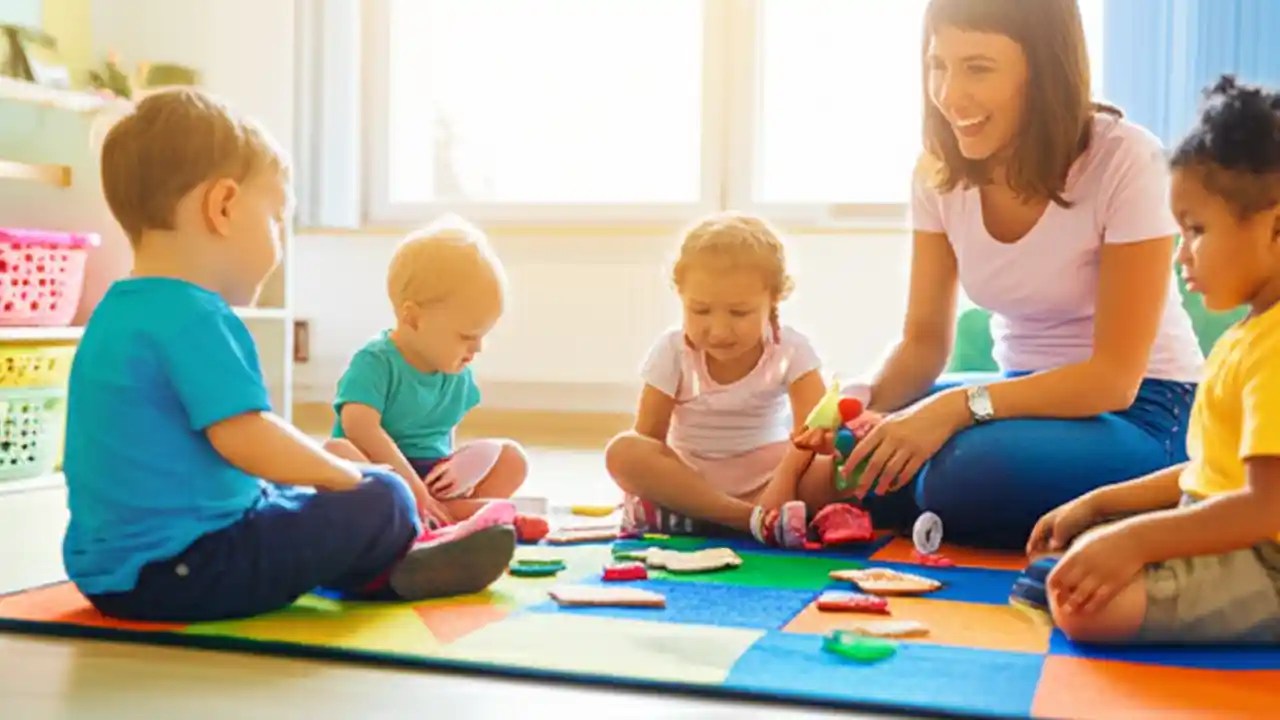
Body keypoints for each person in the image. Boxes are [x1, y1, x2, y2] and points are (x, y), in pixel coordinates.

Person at [63, 89, 516, 623]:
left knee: (304, 494)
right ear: (224, 207)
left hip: (110, 572)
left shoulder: (117, 310)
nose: (279, 240)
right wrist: (344, 479)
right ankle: (384, 570)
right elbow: (247, 437)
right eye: (277, 219)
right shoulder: (195, 316)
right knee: (384, 497)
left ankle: (378, 559)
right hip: (187, 567)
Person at [841, 0, 1203, 548]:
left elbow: (1113, 377)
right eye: (940, 65)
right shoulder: (938, 173)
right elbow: (922, 344)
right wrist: (862, 404)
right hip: (1016, 396)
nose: (950, 94)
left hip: (1145, 412)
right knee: (855, 452)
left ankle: (933, 503)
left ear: (1043, 68)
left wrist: (953, 409)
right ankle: (930, 502)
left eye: (978, 68)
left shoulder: (1127, 159)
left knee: (963, 470)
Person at [1028, 75, 1280, 644]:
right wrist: (1100, 506)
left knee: (1089, 607)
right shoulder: (1247, 337)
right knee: (1080, 556)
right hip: (1228, 532)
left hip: (1267, 561)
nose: (1180, 255)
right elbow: (1210, 474)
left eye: (1195, 231)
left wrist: (1133, 541)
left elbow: (1266, 508)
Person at [605, 212, 863, 548]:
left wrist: (778, 489)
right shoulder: (672, 351)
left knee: (841, 461)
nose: (719, 330)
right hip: (690, 481)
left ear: (773, 301)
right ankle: (747, 521)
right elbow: (649, 439)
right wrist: (665, 487)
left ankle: (715, 520)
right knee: (624, 451)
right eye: (700, 311)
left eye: (739, 313)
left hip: (772, 475)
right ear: (681, 297)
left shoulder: (792, 349)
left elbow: (809, 442)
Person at [324, 216, 528, 528]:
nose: (478, 349)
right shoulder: (375, 362)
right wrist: (411, 487)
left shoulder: (457, 371)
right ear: (413, 319)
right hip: (382, 473)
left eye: (482, 336)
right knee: (335, 451)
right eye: (466, 336)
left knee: (512, 458)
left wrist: (461, 470)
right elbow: (359, 429)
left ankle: (441, 517)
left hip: (431, 478)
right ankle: (456, 518)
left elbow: (443, 435)